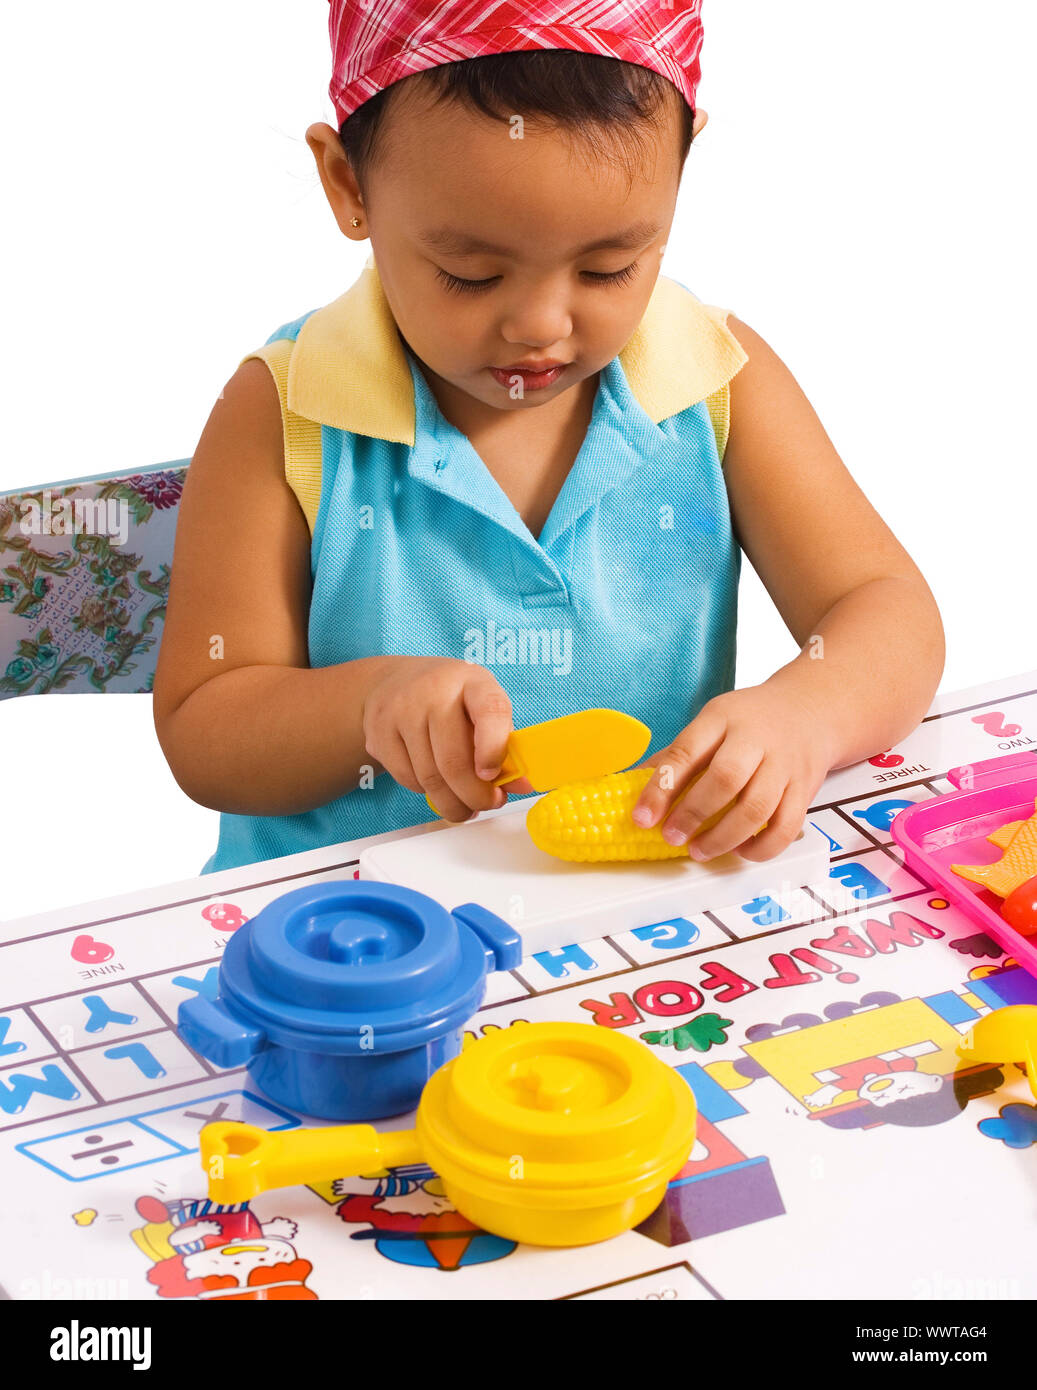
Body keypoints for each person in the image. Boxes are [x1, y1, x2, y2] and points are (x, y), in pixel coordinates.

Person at [153, 0, 944, 875]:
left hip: (648, 911)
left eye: (607, 268)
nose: (539, 326)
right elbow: (206, 725)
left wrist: (807, 714)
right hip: (345, 934)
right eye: (470, 273)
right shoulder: (285, 408)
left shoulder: (718, 381)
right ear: (349, 185)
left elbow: (884, 609)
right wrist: (368, 708)